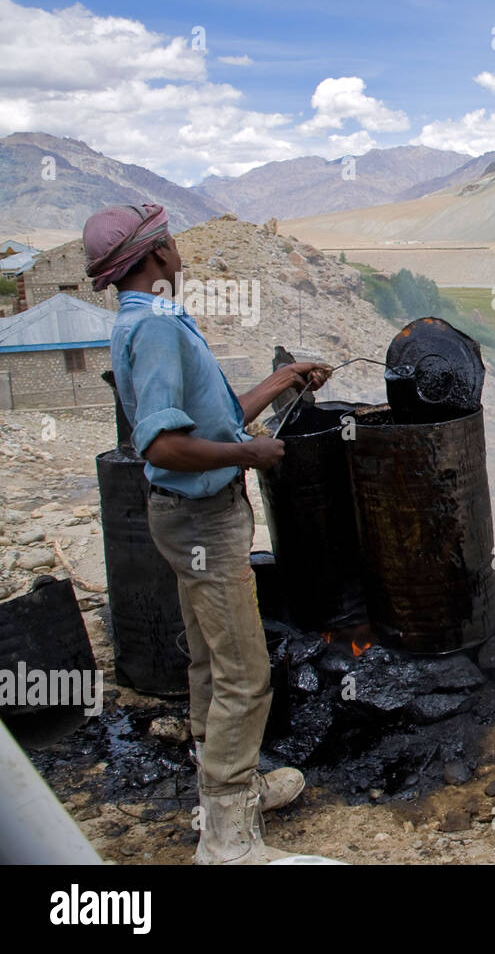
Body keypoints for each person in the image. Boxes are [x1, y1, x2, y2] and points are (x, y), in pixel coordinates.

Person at [84, 204, 331, 864]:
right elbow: (163, 445)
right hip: (203, 521)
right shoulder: (159, 327)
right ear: (158, 251)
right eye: (170, 237)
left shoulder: (143, 319)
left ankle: (232, 787)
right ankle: (227, 837)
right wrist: (250, 456)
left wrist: (279, 381)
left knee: (207, 657)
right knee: (245, 674)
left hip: (187, 516)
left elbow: (207, 422)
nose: (177, 245)